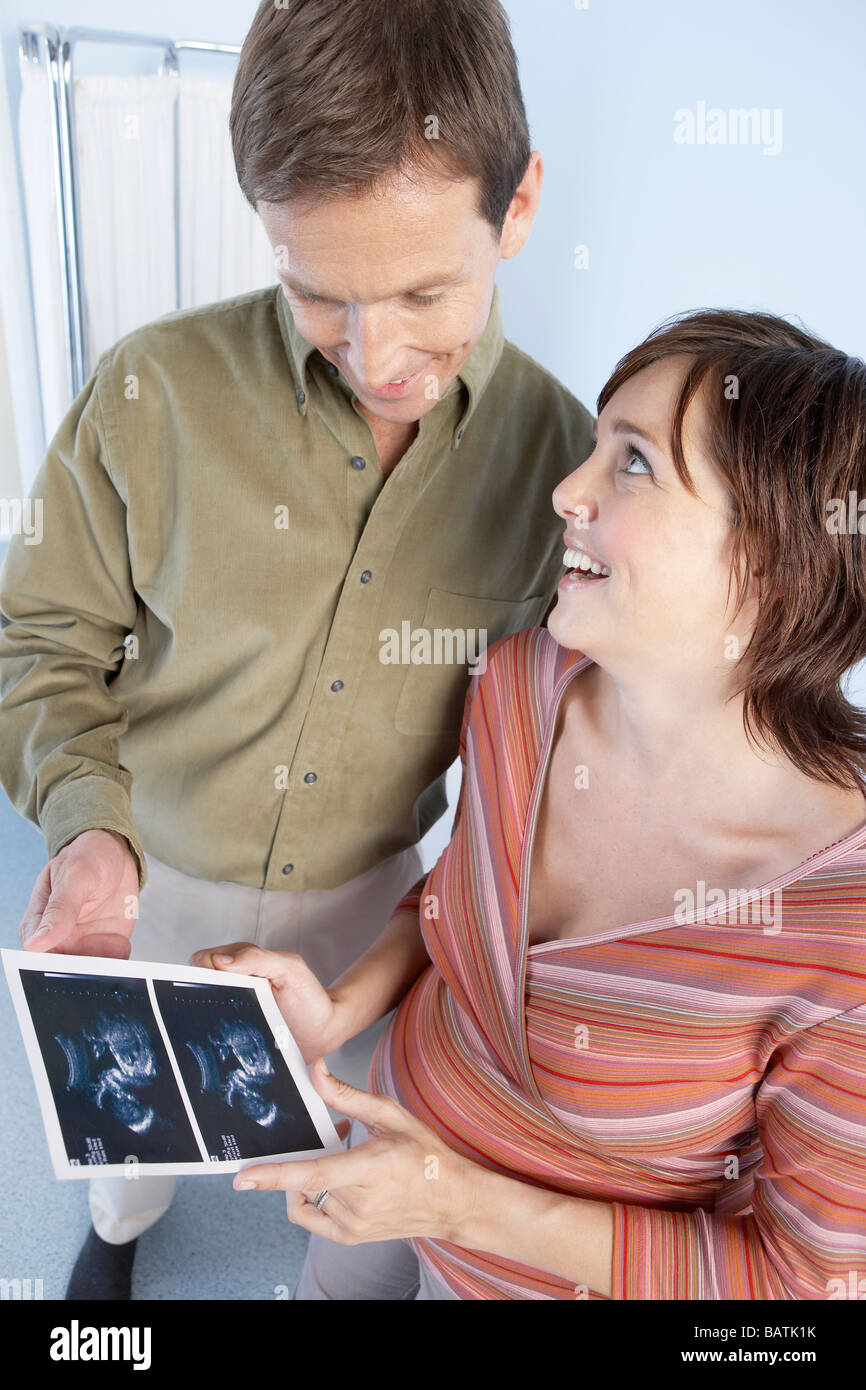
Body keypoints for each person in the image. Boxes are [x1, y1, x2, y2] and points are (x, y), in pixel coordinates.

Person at [0, 0, 595, 1299]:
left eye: (424, 292)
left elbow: (551, 739)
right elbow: (41, 635)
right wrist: (87, 829)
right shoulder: (151, 392)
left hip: (370, 906)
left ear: (519, 204)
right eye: (316, 290)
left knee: (347, 1183)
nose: (377, 356)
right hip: (147, 873)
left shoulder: (566, 466)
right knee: (130, 1122)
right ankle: (117, 1230)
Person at [194, 308, 866, 1299]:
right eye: (596, 446)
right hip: (379, 1151)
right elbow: (455, 897)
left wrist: (452, 1204)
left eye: (630, 463)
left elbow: (797, 1289)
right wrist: (338, 1011)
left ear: (768, 560)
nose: (565, 491)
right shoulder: (521, 680)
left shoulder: (837, 931)